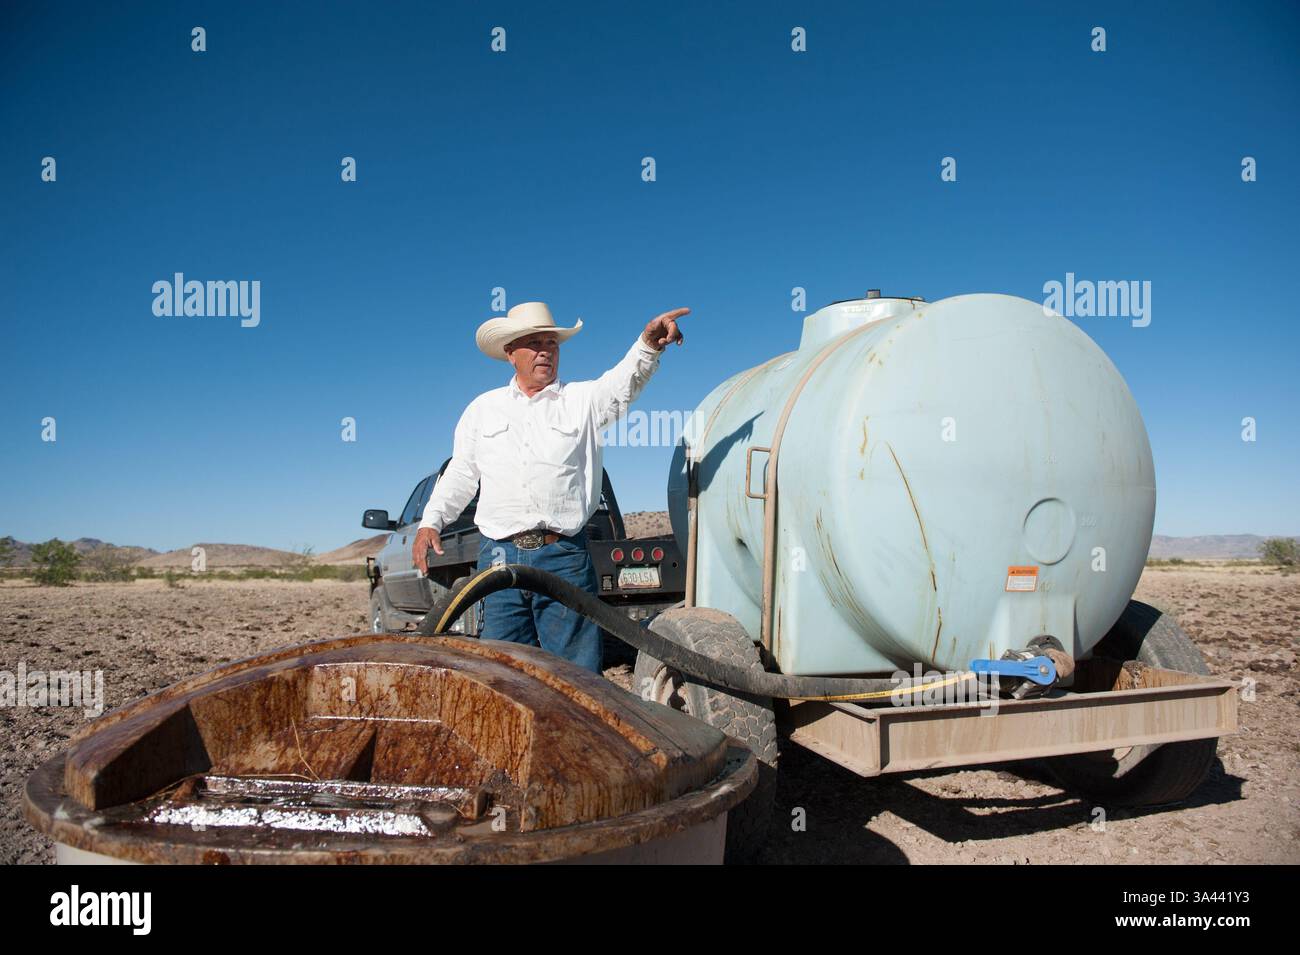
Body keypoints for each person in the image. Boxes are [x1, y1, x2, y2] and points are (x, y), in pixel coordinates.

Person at [412, 301, 688, 673]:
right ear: (510, 353)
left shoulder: (582, 401)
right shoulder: (483, 409)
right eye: (533, 343)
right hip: (498, 557)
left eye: (551, 344)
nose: (545, 351)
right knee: (505, 670)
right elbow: (462, 472)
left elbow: (624, 383)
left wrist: (648, 345)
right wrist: (431, 521)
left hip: (564, 558)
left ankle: (578, 732)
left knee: (575, 671)